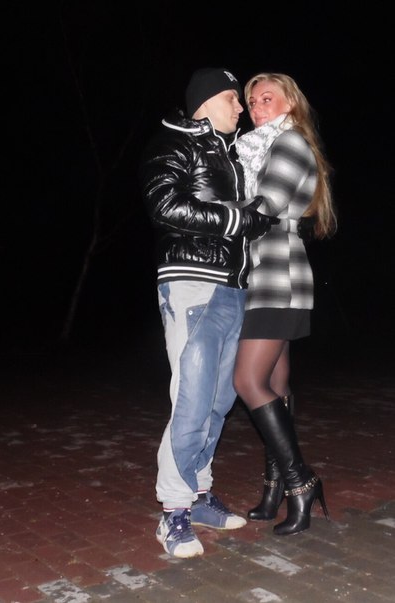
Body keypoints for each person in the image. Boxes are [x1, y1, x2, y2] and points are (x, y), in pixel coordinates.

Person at [139, 68, 279, 558]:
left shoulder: (230, 154)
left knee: (219, 401)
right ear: (204, 100)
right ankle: (173, 510)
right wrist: (240, 218)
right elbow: (165, 205)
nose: (241, 108)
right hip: (192, 283)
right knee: (192, 398)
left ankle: (199, 495)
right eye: (232, 98)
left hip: (234, 288)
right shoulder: (172, 141)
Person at [233, 72, 337, 536]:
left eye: (267, 99)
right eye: (252, 101)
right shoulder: (263, 148)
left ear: (290, 104)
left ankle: (301, 483)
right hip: (267, 273)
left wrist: (211, 214)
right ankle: (275, 486)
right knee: (276, 382)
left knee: (248, 380)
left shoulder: (289, 143)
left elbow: (267, 204)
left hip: (278, 276)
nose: (257, 108)